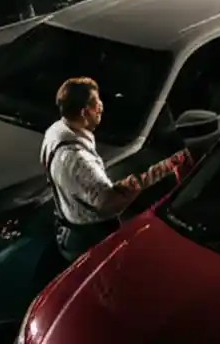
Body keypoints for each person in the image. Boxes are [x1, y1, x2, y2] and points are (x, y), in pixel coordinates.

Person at [41, 77, 183, 263]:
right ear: (85, 112)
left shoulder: (55, 131)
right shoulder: (78, 159)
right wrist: (162, 169)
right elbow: (110, 202)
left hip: (70, 230)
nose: (101, 106)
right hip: (89, 240)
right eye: (97, 102)